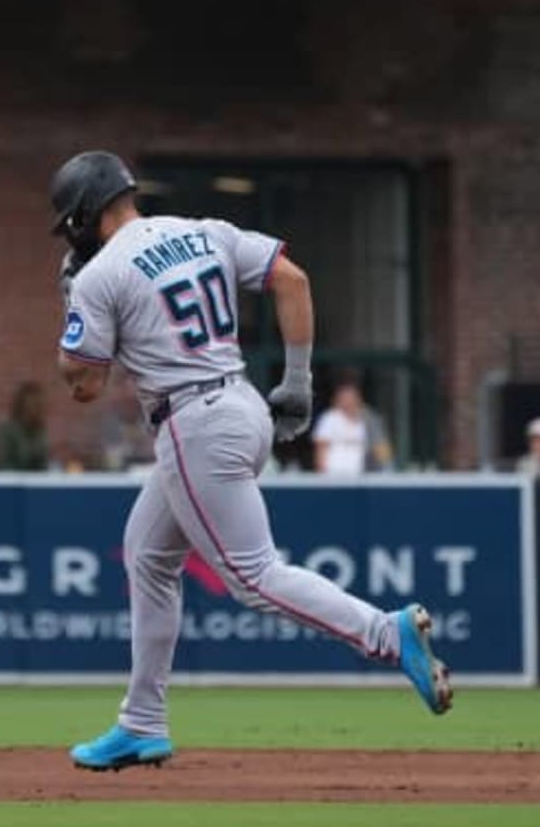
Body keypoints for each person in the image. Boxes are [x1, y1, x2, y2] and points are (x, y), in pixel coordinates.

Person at [50, 150, 450, 771]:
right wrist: (297, 384)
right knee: (148, 554)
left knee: (255, 576)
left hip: (191, 421)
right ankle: (141, 723)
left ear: (83, 215)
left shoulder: (101, 276)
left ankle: (386, 633)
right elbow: (293, 280)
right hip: (242, 403)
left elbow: (84, 385)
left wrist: (73, 305)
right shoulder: (206, 231)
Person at [312, 381, 369, 476]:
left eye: (351, 397)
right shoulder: (330, 418)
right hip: (332, 476)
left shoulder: (363, 421)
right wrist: (322, 476)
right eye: (345, 398)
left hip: (357, 476)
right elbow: (320, 448)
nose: (348, 401)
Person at [0, 381, 49, 471]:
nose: (35, 410)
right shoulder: (8, 431)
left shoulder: (39, 430)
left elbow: (43, 461)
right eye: (32, 405)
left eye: (38, 406)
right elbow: (2, 463)